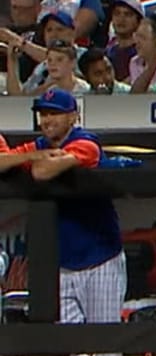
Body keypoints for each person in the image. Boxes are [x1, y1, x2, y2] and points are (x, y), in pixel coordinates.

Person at [0, 88, 125, 324]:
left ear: (72, 116)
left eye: (54, 114)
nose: (47, 120)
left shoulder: (86, 143)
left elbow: (43, 171)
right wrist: (30, 156)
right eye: (44, 114)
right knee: (69, 349)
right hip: (61, 266)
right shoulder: (38, 146)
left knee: (105, 346)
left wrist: (36, 158)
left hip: (100, 260)